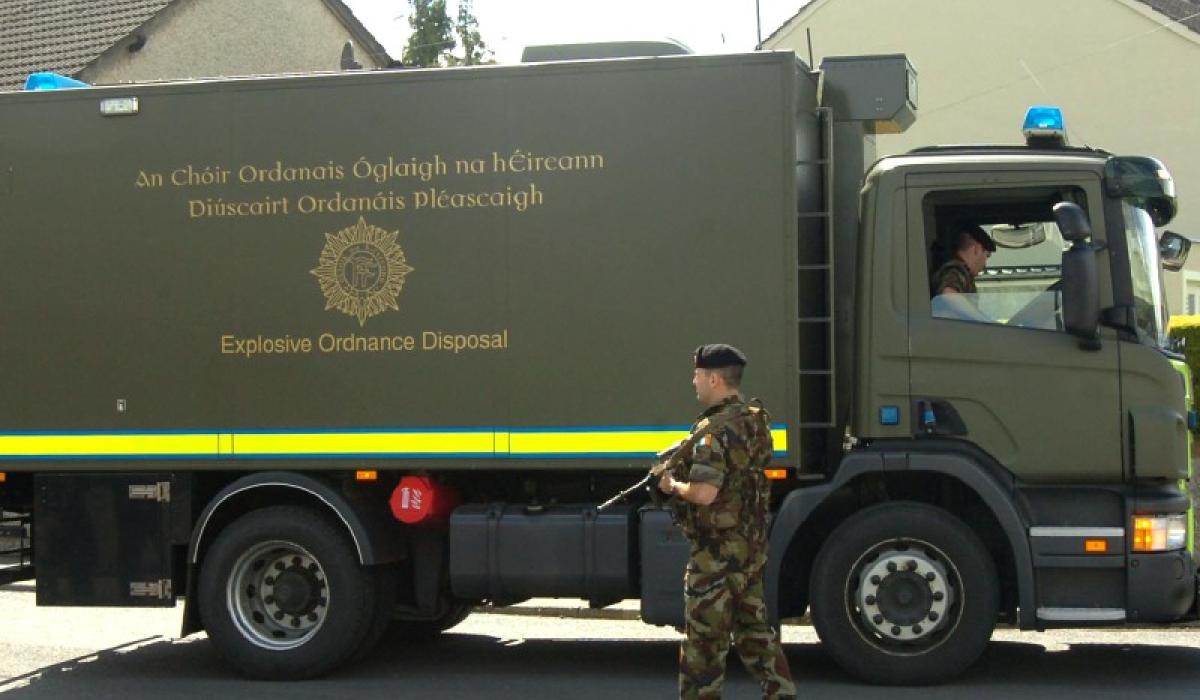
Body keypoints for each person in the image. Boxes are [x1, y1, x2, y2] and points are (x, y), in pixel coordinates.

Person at [657, 344, 796, 700]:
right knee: (754, 632)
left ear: (714, 378)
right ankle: (782, 693)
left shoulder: (711, 432)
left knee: (704, 644)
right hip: (749, 547)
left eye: (698, 375)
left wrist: (672, 485)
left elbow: (704, 494)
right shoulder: (755, 421)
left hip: (716, 553)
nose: (694, 382)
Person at [930, 224, 996, 321]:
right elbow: (949, 295)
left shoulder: (961, 271)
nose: (985, 265)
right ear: (977, 249)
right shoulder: (956, 268)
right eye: (987, 256)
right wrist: (985, 321)